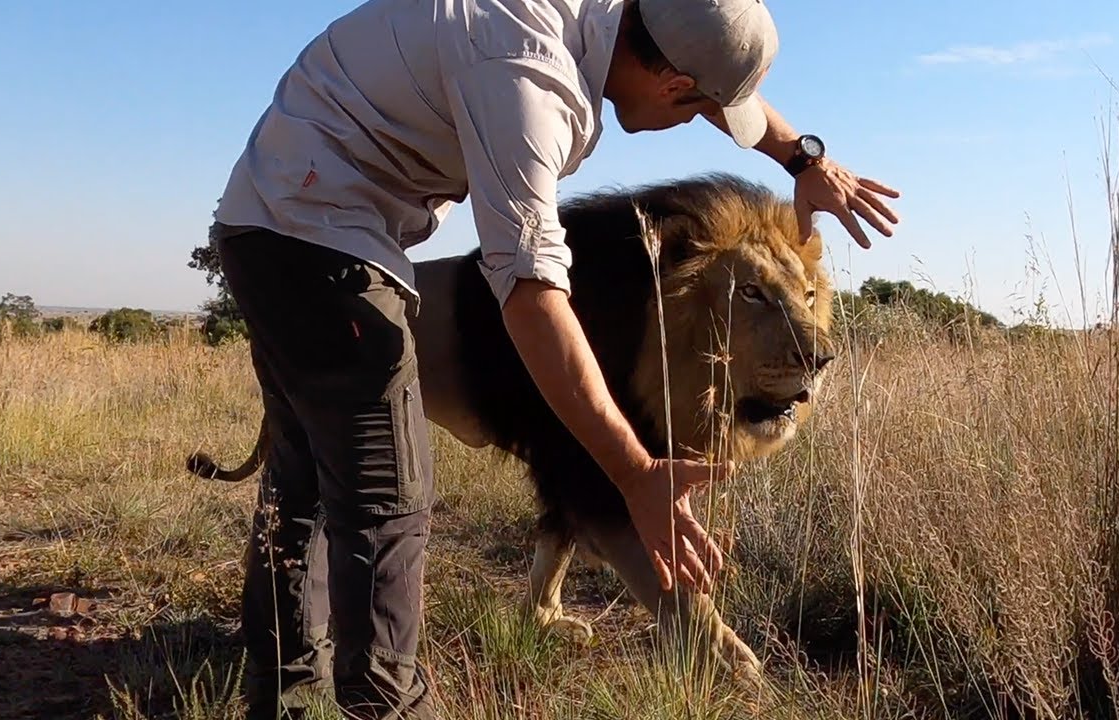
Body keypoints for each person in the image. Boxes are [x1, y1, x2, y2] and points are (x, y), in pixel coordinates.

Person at [207, 0, 900, 717]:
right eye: (696, 110)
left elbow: (704, 70)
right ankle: (379, 704)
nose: (697, 122)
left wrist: (801, 158)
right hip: (312, 234)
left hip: (281, 214)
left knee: (306, 486)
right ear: (671, 84)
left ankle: (282, 693)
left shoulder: (606, 17)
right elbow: (531, 296)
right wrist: (633, 472)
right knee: (387, 502)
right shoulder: (529, 80)